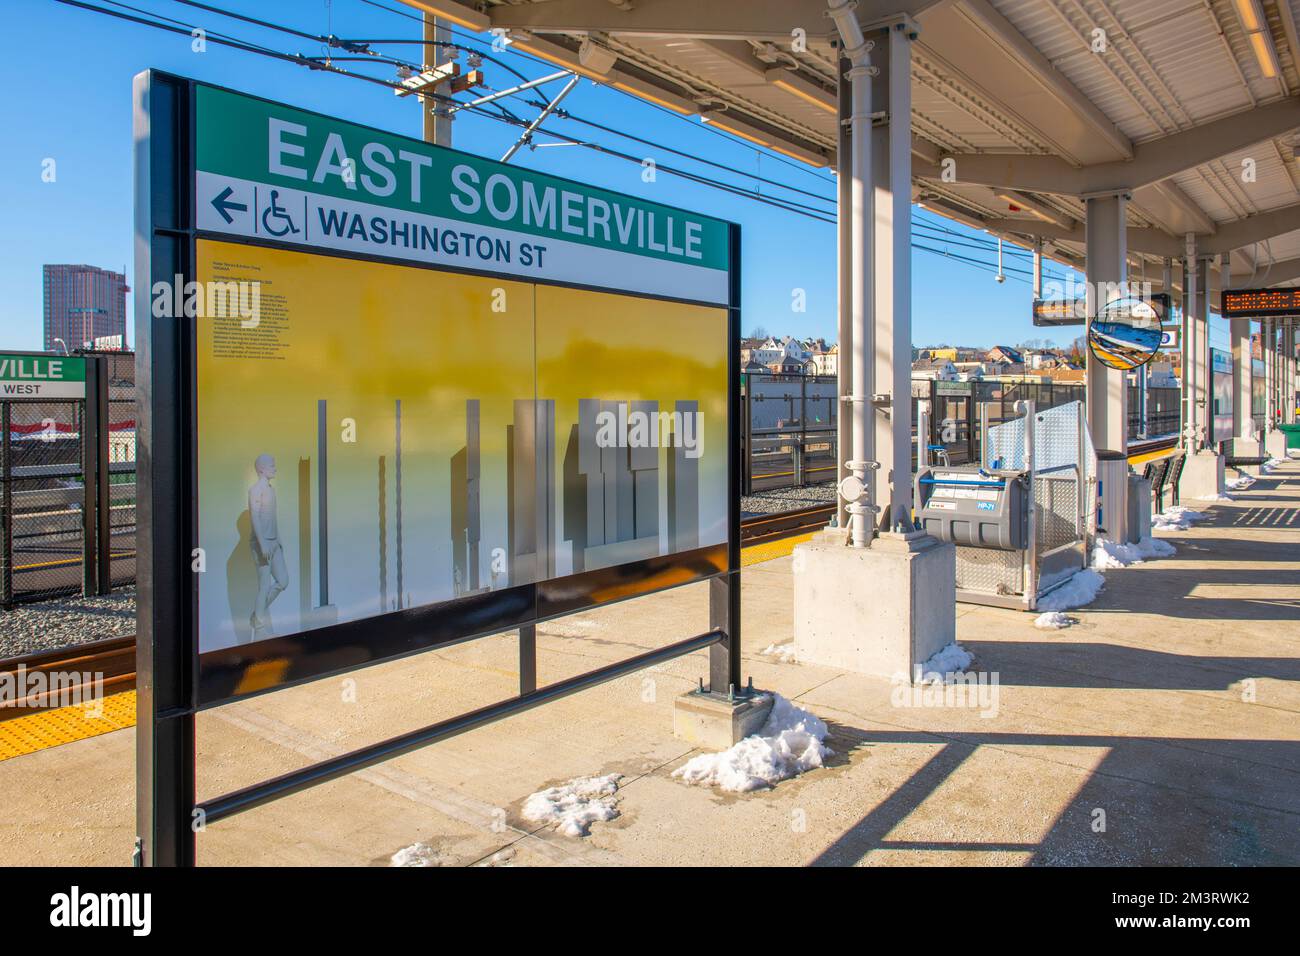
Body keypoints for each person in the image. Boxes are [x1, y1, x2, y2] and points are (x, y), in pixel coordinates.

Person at [249, 453, 288, 638]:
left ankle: (258, 614)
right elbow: (255, 517)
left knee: (283, 581)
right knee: (264, 585)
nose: (275, 468)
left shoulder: (271, 490)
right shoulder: (256, 490)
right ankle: (259, 626)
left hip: (273, 542)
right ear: (262, 469)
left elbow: (272, 518)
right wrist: (262, 542)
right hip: (261, 543)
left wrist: (278, 540)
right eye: (272, 465)